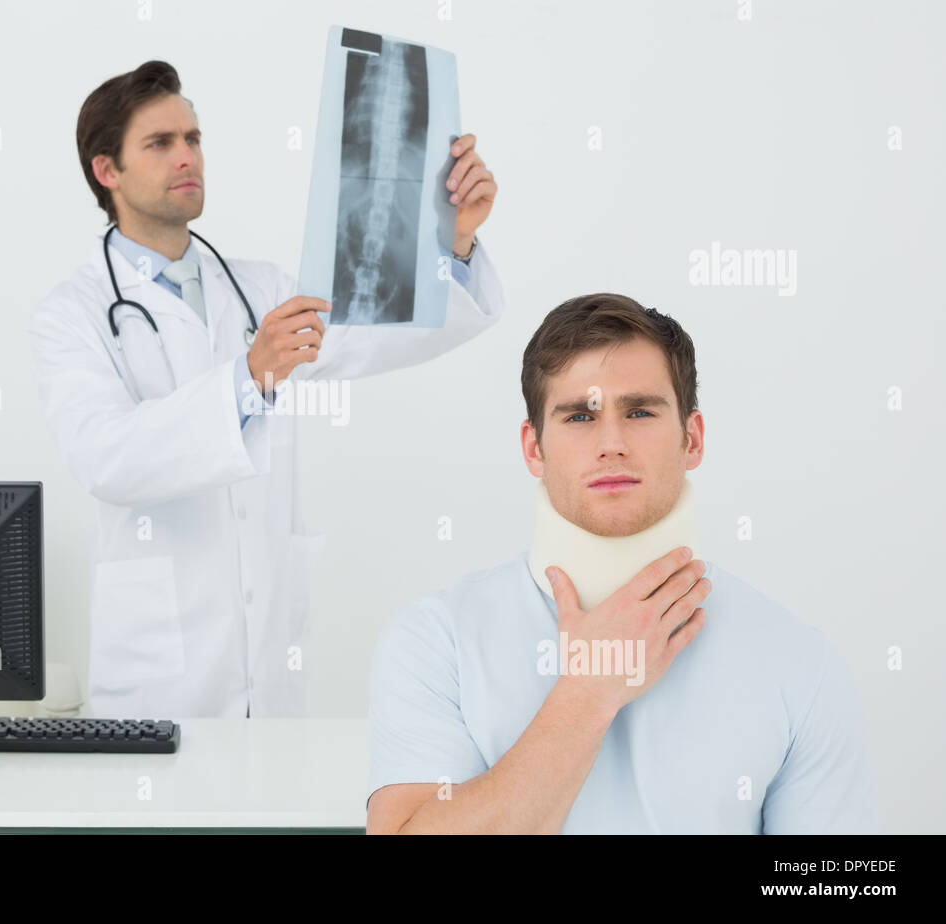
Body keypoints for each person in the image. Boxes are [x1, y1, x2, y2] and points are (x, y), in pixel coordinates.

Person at [29, 60, 505, 719]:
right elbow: (105, 457)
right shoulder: (72, 313)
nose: (186, 156)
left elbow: (382, 332)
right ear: (106, 170)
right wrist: (249, 379)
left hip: (269, 663)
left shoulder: (261, 290)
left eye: (192, 139)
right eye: (160, 143)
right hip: (158, 677)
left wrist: (451, 243)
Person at [366, 293, 878, 833]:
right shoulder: (435, 642)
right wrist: (588, 694)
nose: (611, 443)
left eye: (639, 412)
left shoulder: (798, 661)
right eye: (580, 416)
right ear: (534, 448)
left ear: (693, 438)